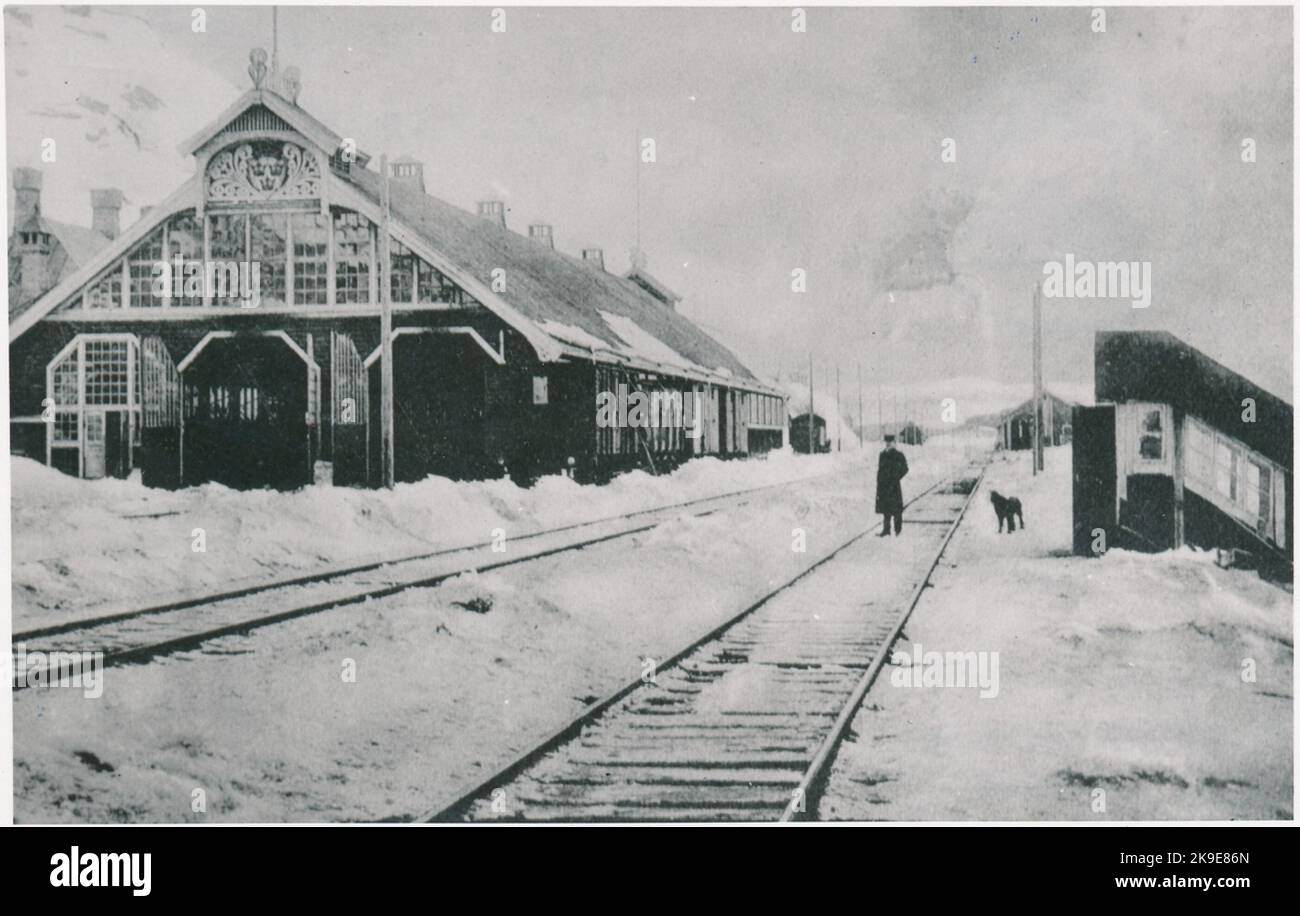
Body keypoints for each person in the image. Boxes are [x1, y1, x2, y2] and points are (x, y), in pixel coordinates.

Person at [876, 434, 909, 536]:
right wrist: (880, 482)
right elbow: (880, 470)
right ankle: (886, 530)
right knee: (886, 509)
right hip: (884, 486)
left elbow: (905, 469)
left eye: (890, 443)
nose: (888, 444)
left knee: (896, 509)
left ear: (895, 443)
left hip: (894, 486)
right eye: (887, 443)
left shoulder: (899, 455)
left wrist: (896, 477)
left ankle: (898, 530)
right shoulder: (882, 455)